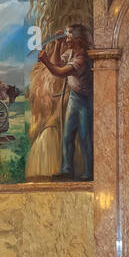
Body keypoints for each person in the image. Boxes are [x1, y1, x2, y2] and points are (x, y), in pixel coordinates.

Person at [36, 24, 93, 181]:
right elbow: (58, 62)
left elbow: (59, 72)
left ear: (77, 40)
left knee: (84, 136)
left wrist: (45, 61)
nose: (66, 38)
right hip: (74, 98)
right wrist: (58, 44)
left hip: (85, 100)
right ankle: (66, 169)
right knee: (67, 135)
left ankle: (89, 172)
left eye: (68, 36)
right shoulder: (71, 53)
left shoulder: (82, 59)